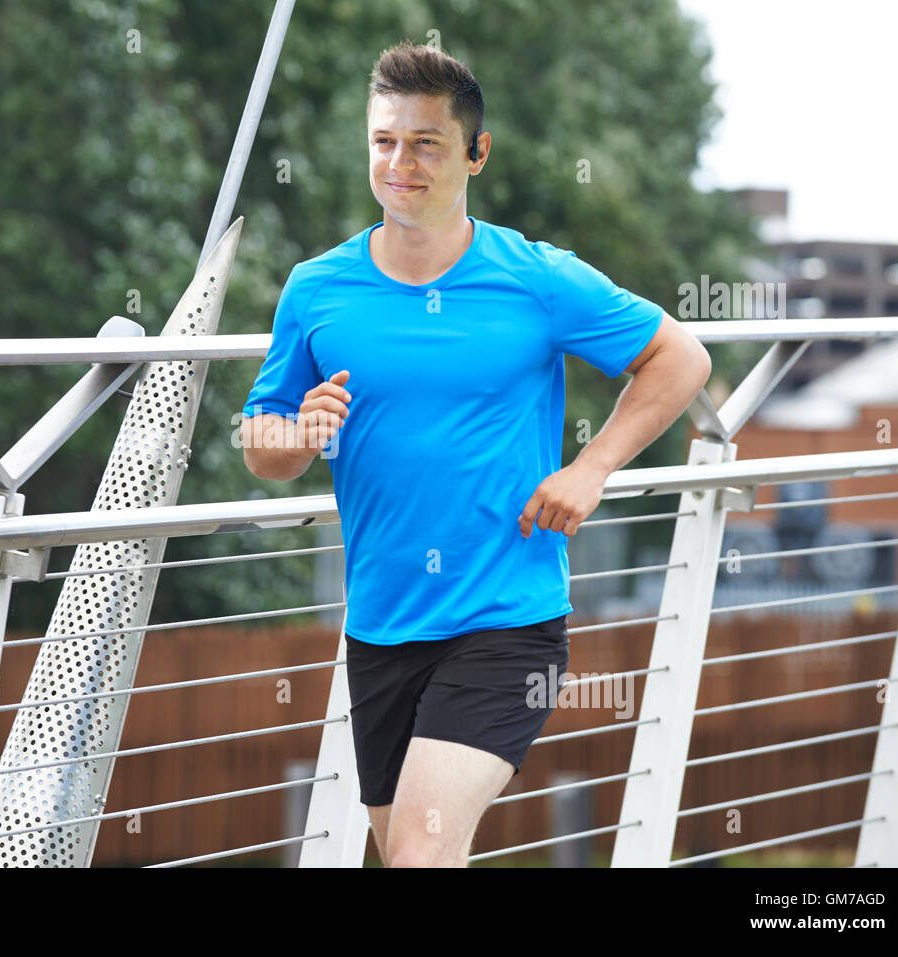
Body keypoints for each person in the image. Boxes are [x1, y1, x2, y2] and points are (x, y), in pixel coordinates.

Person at [239, 40, 711, 867]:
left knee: (421, 852)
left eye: (426, 142)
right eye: (385, 141)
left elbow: (680, 359)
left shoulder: (535, 277)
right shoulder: (316, 288)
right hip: (381, 625)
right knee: (417, 855)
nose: (401, 163)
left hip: (506, 620)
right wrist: (297, 434)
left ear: (476, 153)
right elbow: (263, 446)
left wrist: (590, 466)